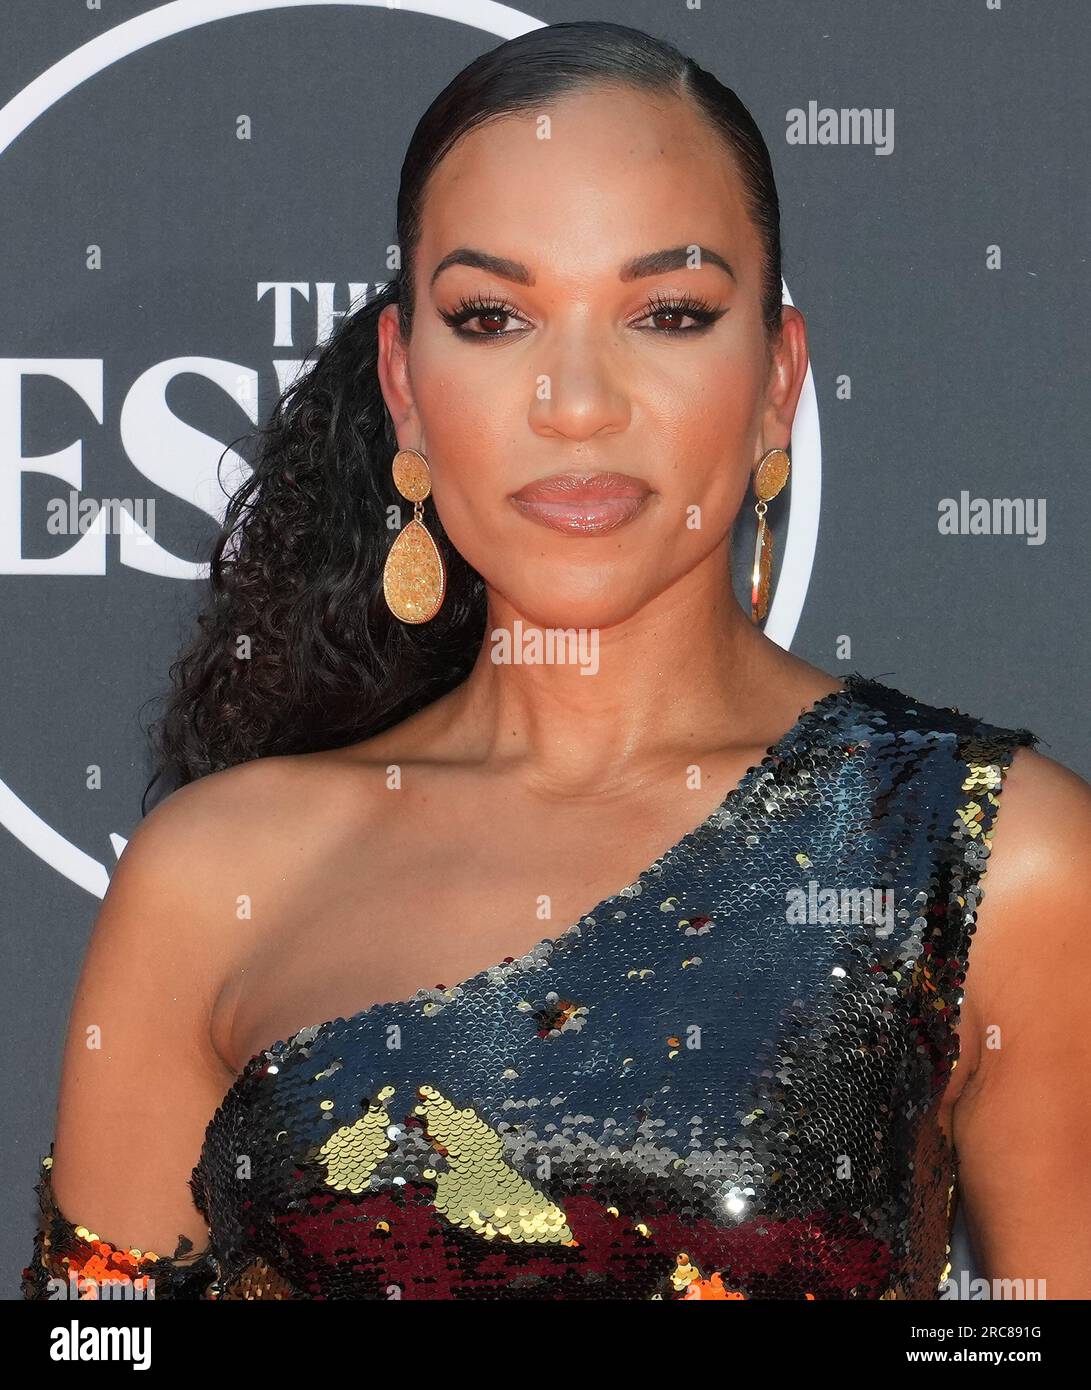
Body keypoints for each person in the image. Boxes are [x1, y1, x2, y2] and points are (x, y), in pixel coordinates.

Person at [22, 20, 1091, 1301]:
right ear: (405, 386)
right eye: (491, 316)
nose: (575, 400)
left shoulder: (989, 856)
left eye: (667, 312)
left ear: (774, 382)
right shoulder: (210, 876)